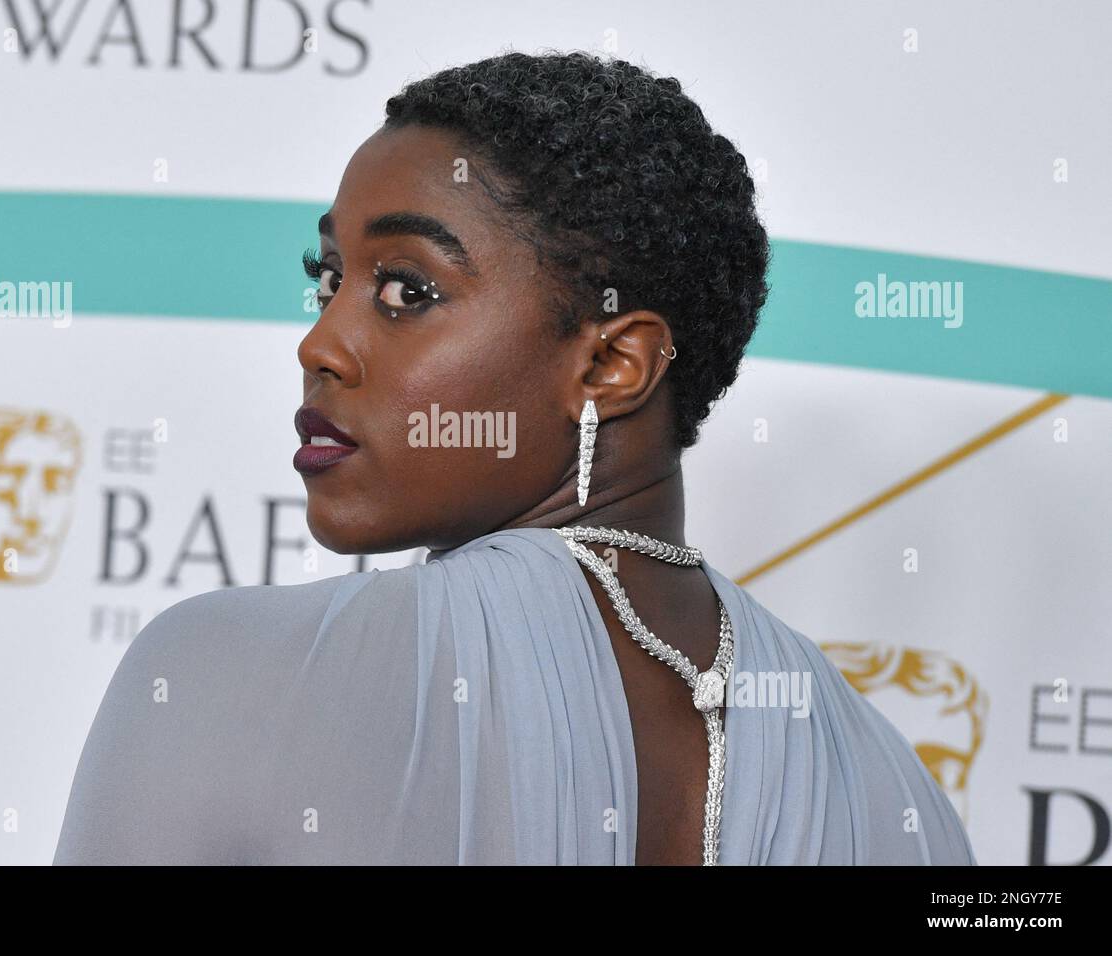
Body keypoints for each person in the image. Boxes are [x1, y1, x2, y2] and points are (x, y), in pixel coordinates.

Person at [53, 50, 976, 865]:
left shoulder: (223, 673)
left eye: (406, 289)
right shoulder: (898, 800)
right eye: (328, 280)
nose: (322, 345)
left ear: (613, 363)